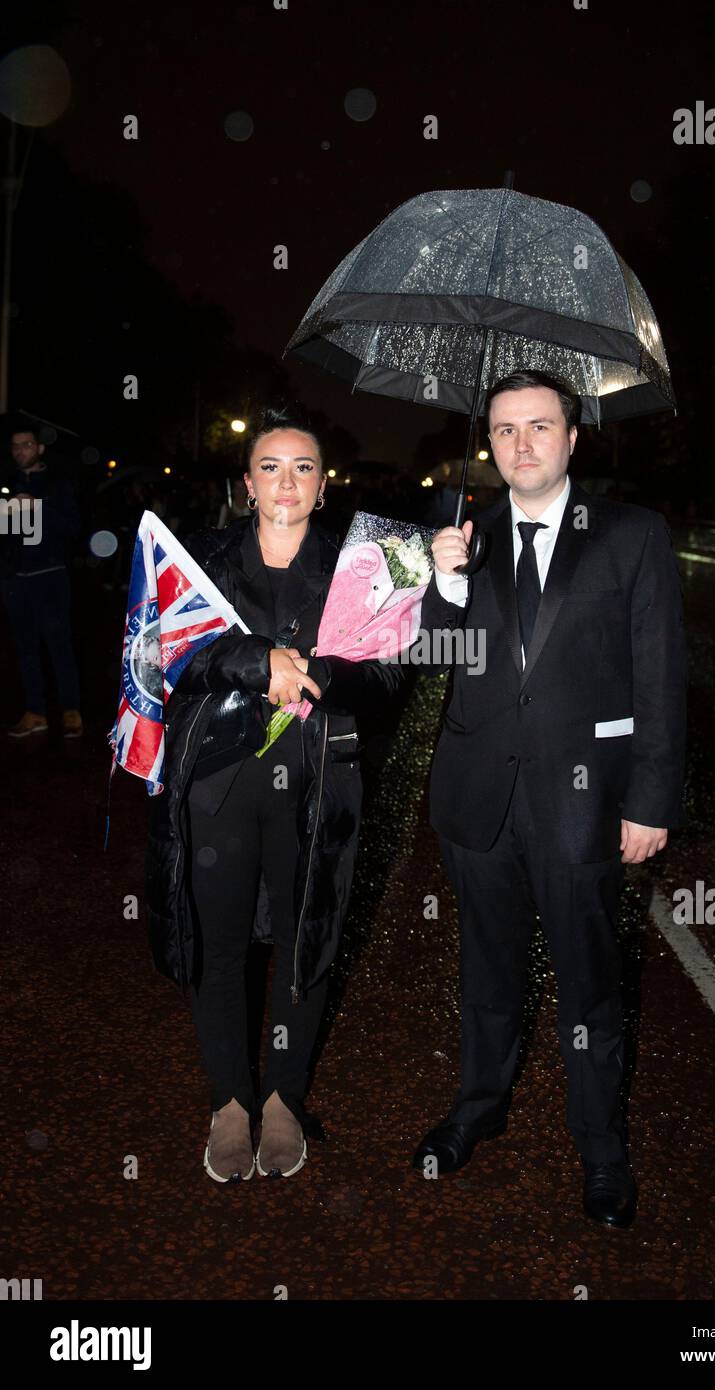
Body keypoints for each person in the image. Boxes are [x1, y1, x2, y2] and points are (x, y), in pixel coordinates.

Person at [412, 370, 687, 1228]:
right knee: (486, 972)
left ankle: (601, 1148)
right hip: (479, 802)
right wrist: (446, 584)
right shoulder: (466, 538)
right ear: (487, 444)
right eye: (503, 430)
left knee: (588, 985)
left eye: (538, 426)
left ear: (573, 437)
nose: (520, 443)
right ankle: (479, 1105)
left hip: (583, 803)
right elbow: (428, 660)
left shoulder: (631, 534)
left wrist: (648, 800)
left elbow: (660, 673)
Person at [145, 404, 406, 1183]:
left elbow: (392, 675)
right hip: (218, 785)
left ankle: (284, 1099)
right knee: (218, 945)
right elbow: (165, 656)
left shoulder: (363, 569)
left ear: (323, 488)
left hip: (320, 785)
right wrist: (255, 664)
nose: (285, 482)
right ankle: (230, 1100)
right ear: (247, 484)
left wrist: (323, 672)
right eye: (269, 467)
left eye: (302, 468)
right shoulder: (203, 559)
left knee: (305, 941)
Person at [1, 427, 83, 737]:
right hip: (15, 580)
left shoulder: (57, 484)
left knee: (59, 645)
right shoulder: (6, 484)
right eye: (16, 446)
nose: (21, 450)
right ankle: (35, 711)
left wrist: (37, 505)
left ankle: (71, 710)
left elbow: (73, 528)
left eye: (27, 444)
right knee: (25, 648)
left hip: (49, 578)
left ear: (39, 448)